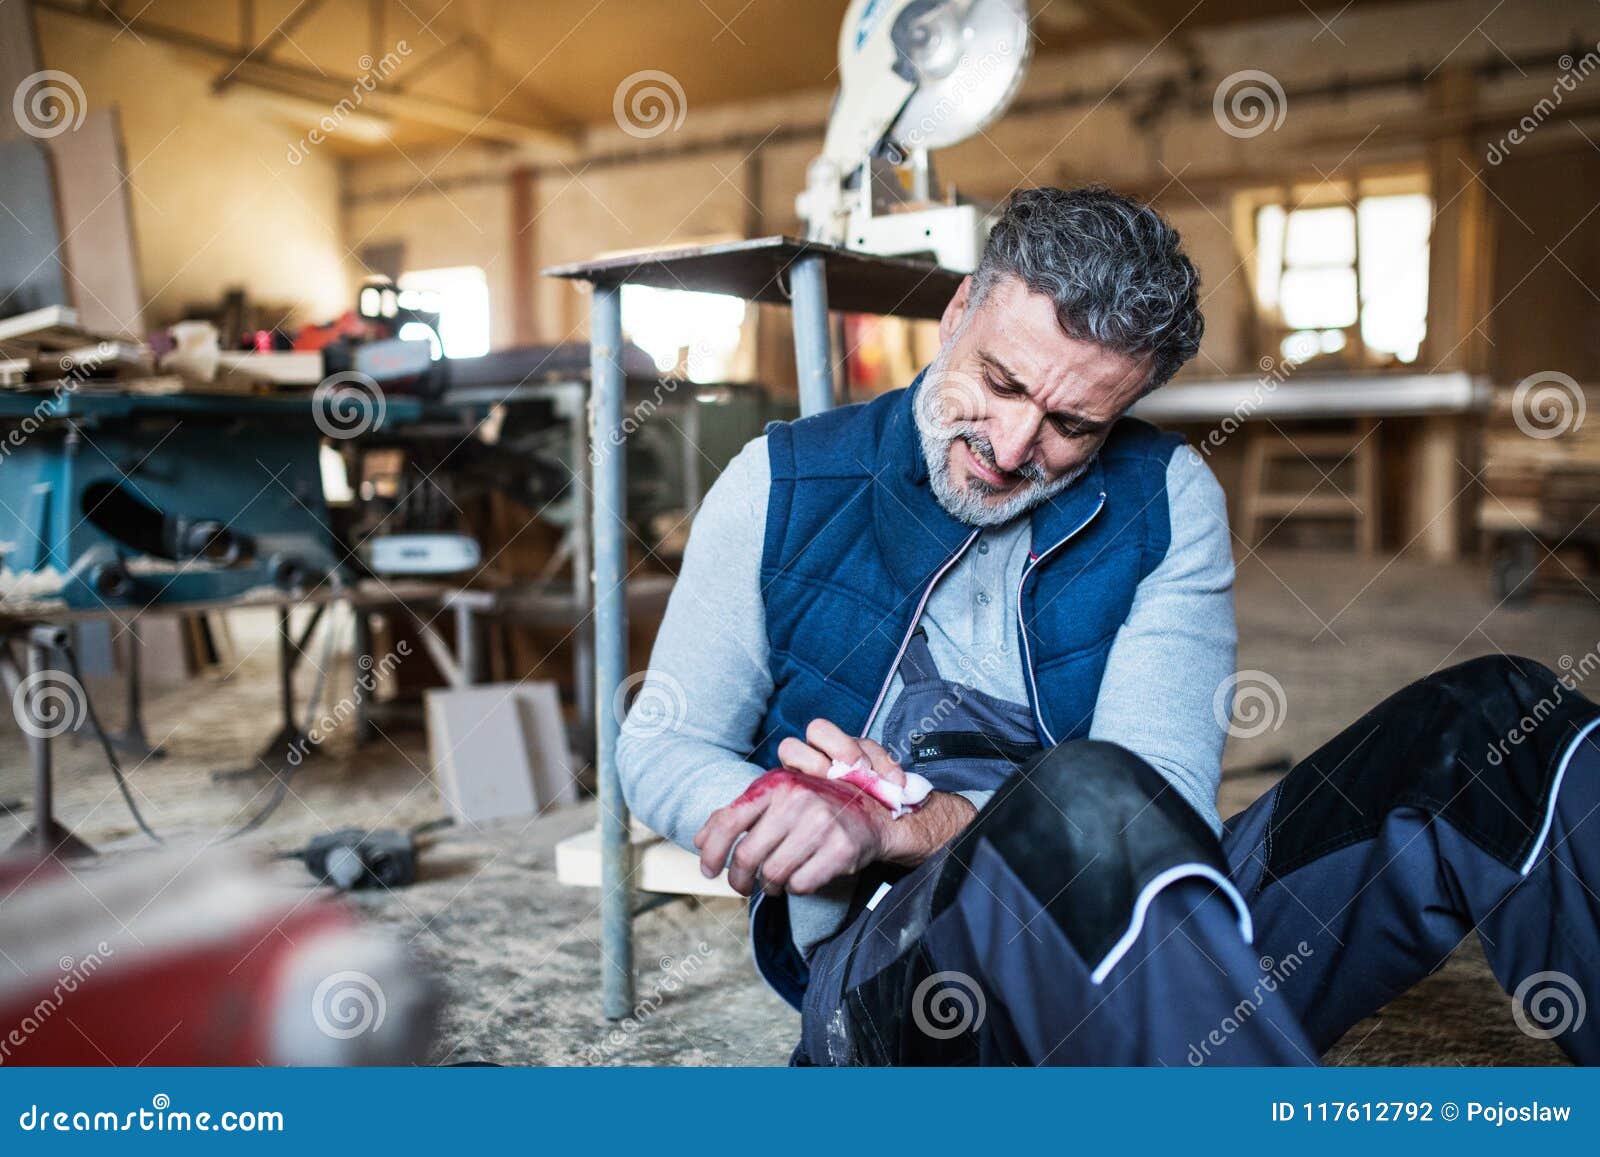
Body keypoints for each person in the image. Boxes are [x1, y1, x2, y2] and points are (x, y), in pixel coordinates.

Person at [616, 186, 1600, 1065]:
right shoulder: (783, 480)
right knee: (1085, 799)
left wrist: (911, 818)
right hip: (913, 975)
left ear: (1127, 404)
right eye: (999, 382)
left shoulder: (1168, 497)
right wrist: (807, 815)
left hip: (1149, 910)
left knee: (1502, 719)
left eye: (1072, 425)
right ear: (959, 309)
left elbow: (1160, 800)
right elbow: (658, 741)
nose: (1009, 448)